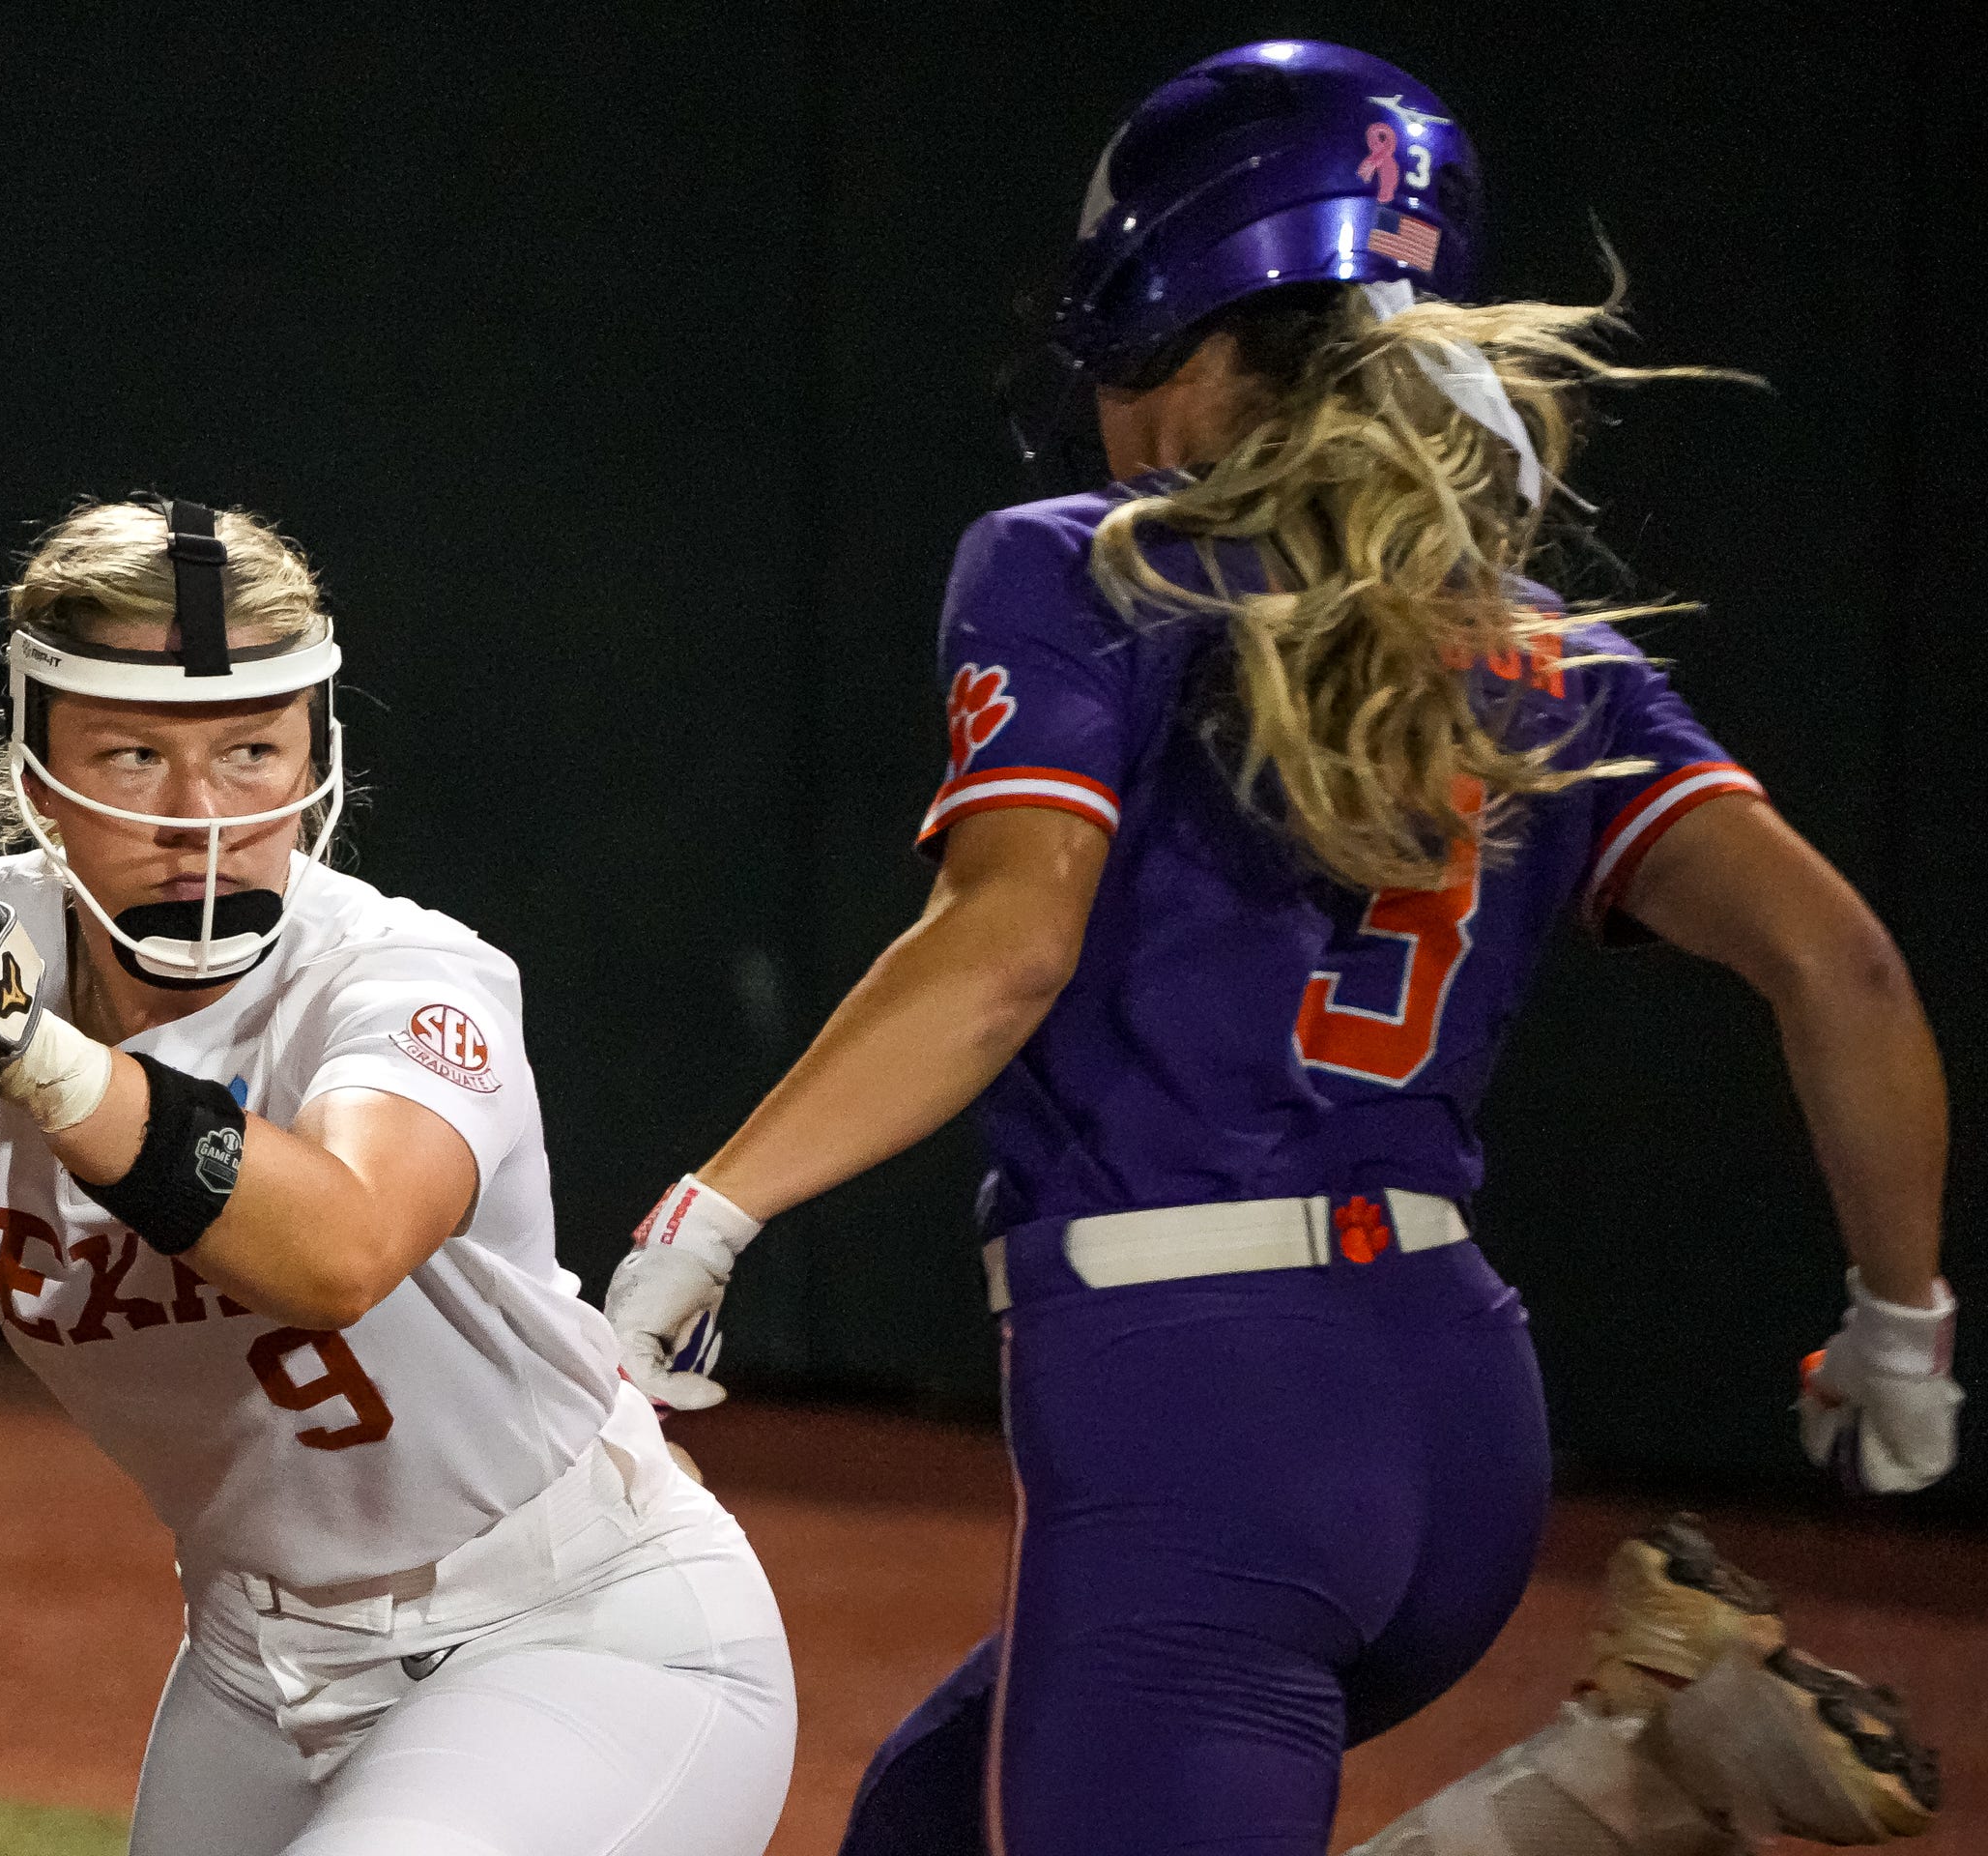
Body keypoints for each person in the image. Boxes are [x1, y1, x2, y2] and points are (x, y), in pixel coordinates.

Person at [602, 41, 1960, 1856]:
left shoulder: (1086, 566)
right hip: (1460, 1405)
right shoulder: (1553, 649)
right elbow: (1844, 968)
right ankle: (1619, 1783)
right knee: (922, 1829)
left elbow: (1006, 946)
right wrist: (1903, 1331)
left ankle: (1623, 1796)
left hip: (1199, 1410)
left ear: (1169, 308)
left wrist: (711, 1213)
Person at [0, 495, 795, 1856]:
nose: (202, 816)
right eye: (133, 753)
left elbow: (337, 1254)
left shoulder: (405, 979)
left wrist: (23, 1046)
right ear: (39, 768)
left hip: (577, 1638)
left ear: (318, 750)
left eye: (252, 750)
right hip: (252, 1674)